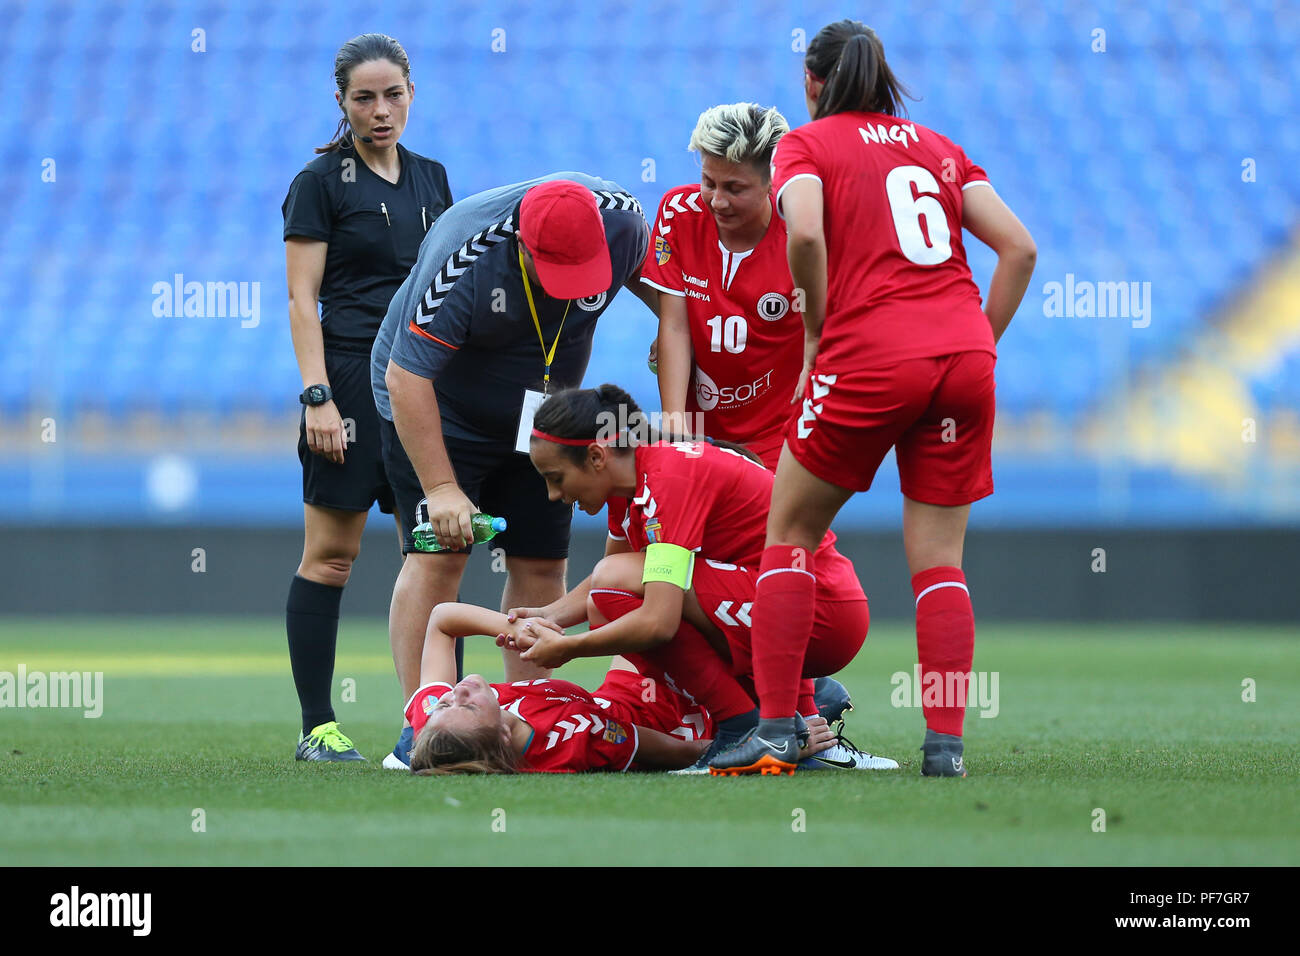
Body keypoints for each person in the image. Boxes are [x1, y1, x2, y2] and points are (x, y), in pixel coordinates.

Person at [710, 20, 1037, 777]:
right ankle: (946, 749)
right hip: (961, 358)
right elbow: (1019, 247)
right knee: (941, 562)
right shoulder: (939, 147)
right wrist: (977, 341)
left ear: (812, 83)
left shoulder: (806, 144)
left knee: (787, 531)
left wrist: (819, 333)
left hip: (869, 357)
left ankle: (779, 728)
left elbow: (806, 239)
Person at [371, 173, 658, 768]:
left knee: (541, 560)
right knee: (440, 554)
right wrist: (443, 489)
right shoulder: (465, 256)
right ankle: (424, 724)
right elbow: (407, 377)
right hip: (437, 409)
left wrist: (668, 325)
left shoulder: (624, 220)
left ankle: (520, 710)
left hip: (542, 416)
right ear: (523, 247)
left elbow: (666, 292)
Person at [507, 384, 899, 774]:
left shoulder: (667, 479)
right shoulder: (628, 486)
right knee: (613, 590)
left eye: (555, 477)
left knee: (623, 589)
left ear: (596, 456)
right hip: (795, 607)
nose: (553, 495)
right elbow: (607, 589)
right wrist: (548, 616)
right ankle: (798, 727)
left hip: (826, 616)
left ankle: (742, 725)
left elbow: (656, 620)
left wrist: (570, 648)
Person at [281, 34, 452, 762]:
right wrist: (318, 397)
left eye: (392, 96)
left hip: (419, 381)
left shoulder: (434, 179)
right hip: (348, 379)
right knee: (332, 557)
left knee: (435, 550)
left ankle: (437, 719)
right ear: (342, 102)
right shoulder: (320, 182)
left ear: (412, 94)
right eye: (364, 98)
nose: (380, 111)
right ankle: (318, 725)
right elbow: (300, 298)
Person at [405, 603, 842, 774]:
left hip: (622, 689)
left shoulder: (435, 724)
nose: (456, 692)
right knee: (622, 591)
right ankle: (792, 697)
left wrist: (533, 629)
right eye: (465, 705)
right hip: (669, 718)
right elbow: (684, 754)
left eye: (445, 699)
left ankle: (790, 691)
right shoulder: (577, 740)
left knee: (619, 593)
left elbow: (442, 617)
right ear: (502, 735)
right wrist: (766, 746)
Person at [642, 103, 803, 470]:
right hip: (700, 432)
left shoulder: (802, 231)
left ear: (771, 180)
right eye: (709, 182)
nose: (717, 200)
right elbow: (675, 325)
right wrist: (674, 425)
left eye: (735, 188)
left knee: (771, 529)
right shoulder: (678, 211)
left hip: (780, 434)